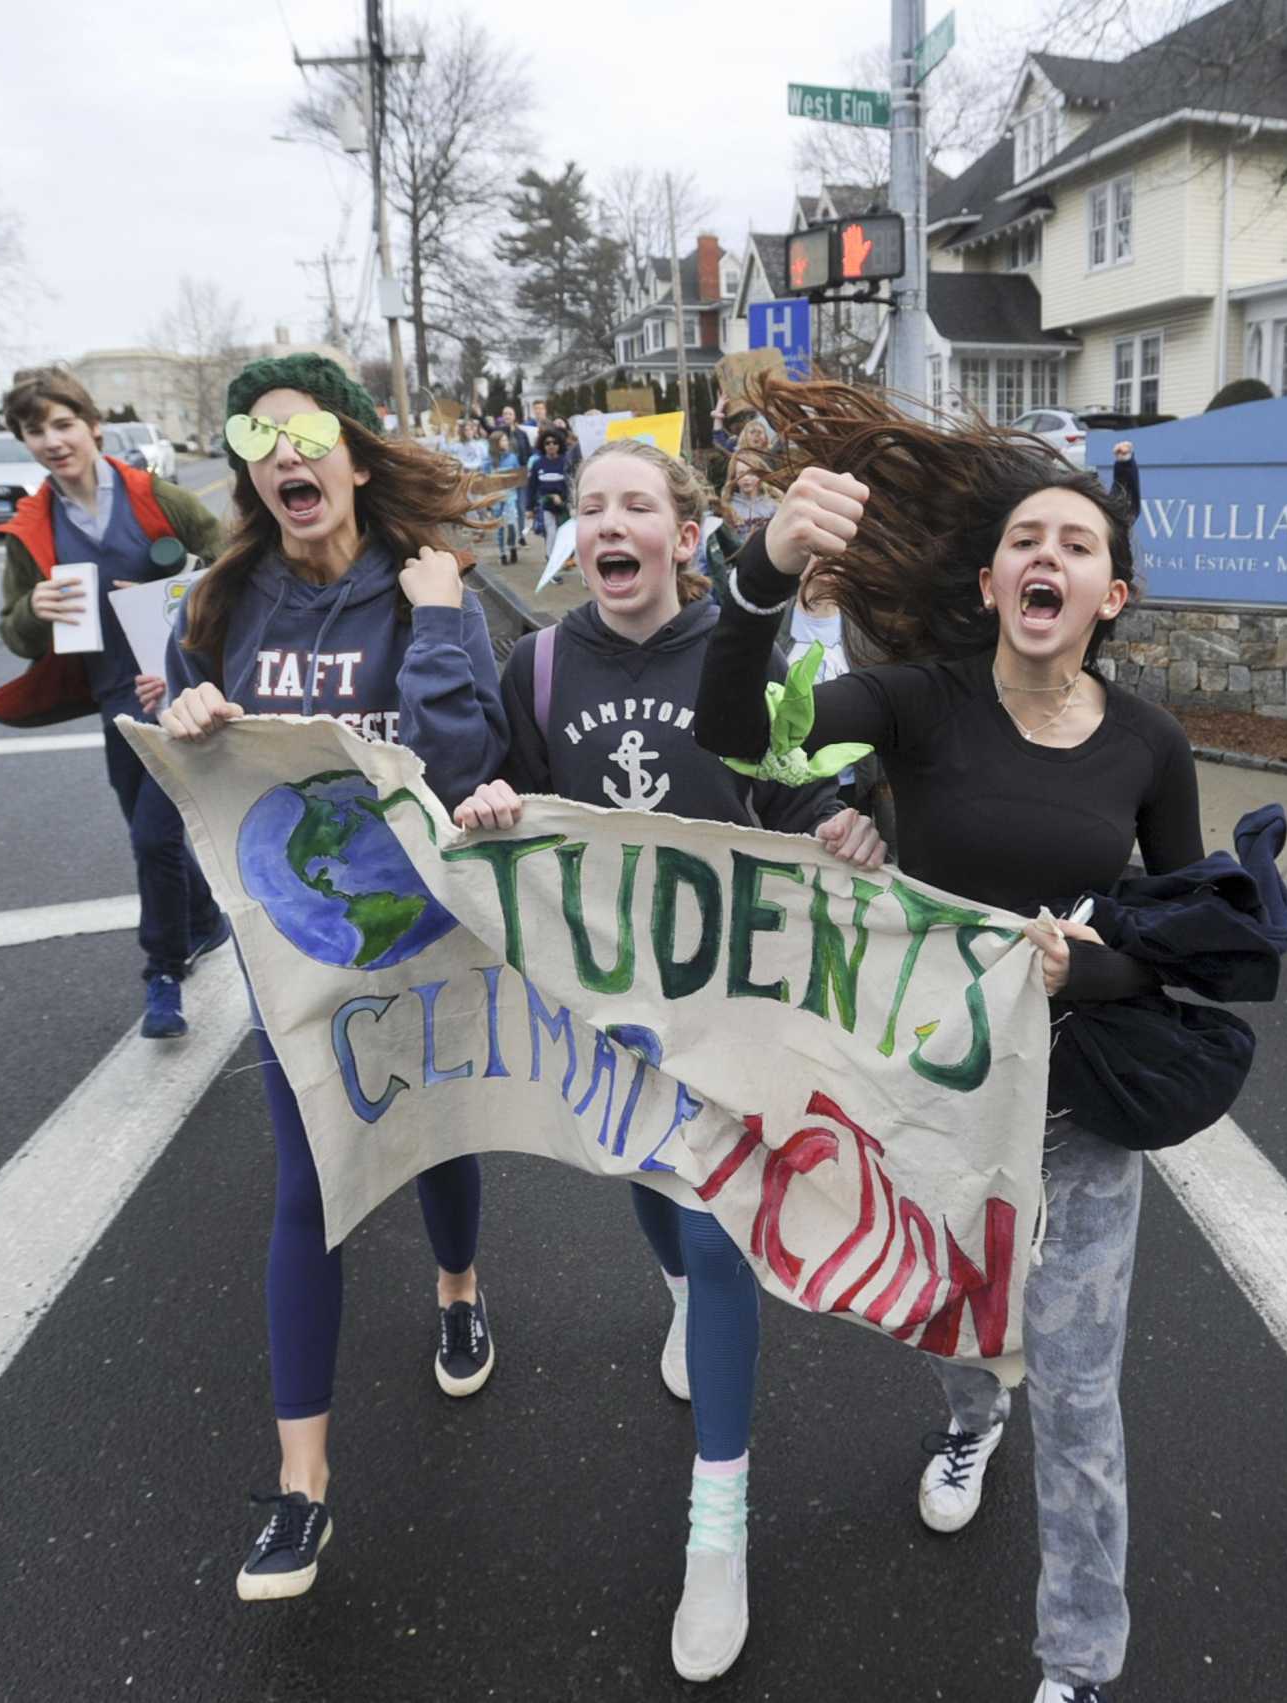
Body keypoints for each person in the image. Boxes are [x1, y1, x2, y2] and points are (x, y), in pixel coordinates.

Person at [692, 379, 1204, 1703]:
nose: (1050, 555)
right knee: (960, 1331)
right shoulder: (916, 703)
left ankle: (1080, 1664)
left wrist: (1087, 963)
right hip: (933, 1097)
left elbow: (1187, 931)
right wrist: (767, 567)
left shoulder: (1150, 745)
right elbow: (745, 738)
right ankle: (968, 1422)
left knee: (1083, 1402)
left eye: (1077, 544)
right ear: (988, 583)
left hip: (1079, 1107)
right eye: (1027, 540)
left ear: (1111, 598)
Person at [450, 438, 882, 1683]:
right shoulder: (533, 663)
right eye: (590, 507)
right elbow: (510, 798)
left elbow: (802, 788)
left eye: (637, 502)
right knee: (644, 1186)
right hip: (608, 999)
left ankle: (719, 1521)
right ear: (573, 536)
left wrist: (847, 821)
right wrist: (490, 805)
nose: (609, 523)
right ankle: (689, 1301)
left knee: (713, 1221)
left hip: (737, 998)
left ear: (686, 535)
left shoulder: (741, 649)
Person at [158, 353, 511, 1604]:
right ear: (252, 469)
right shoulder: (218, 602)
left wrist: (430, 620)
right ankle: (301, 1481)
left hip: (424, 929)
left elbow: (465, 755)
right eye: (260, 437)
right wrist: (189, 718)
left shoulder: (425, 588)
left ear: (354, 457)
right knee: (305, 1179)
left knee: (434, 1125)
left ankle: (459, 1287)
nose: (284, 455)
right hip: (295, 945)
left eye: (308, 432)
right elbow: (172, 755)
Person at [0, 369, 226, 1039]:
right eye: (36, 431)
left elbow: (236, 567)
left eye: (63, 424)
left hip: (177, 693)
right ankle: (204, 919)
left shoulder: (160, 499)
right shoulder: (31, 529)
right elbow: (12, 633)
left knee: (154, 836)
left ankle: (162, 971)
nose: (52, 440)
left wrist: (179, 596)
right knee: (149, 834)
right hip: (113, 701)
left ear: (93, 426)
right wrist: (32, 611)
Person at [527, 423, 574, 548]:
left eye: (554, 442)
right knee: (550, 531)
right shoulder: (537, 464)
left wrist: (566, 500)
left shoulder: (566, 462)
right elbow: (532, 487)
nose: (551, 445)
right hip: (546, 503)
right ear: (543, 445)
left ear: (560, 444)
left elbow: (570, 483)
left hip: (564, 504)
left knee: (565, 531)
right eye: (547, 443)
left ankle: (567, 557)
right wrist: (529, 508)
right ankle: (550, 558)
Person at [488, 430, 522, 564]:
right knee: (500, 527)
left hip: (510, 496)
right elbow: (484, 480)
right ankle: (502, 553)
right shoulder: (489, 460)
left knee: (512, 524)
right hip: (496, 498)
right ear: (496, 443)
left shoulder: (513, 457)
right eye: (503, 440)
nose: (506, 442)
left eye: (506, 440)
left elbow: (518, 476)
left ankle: (512, 547)